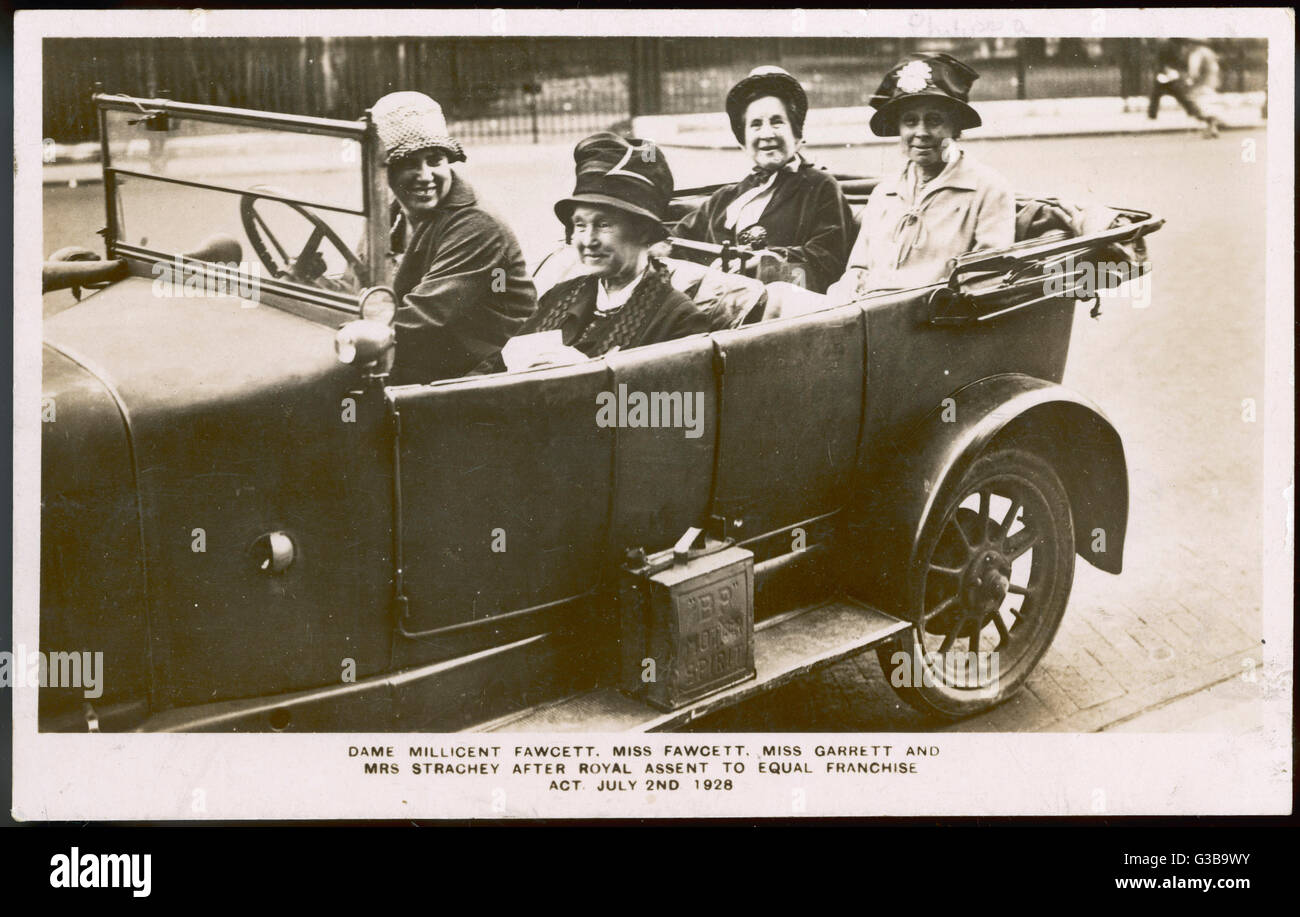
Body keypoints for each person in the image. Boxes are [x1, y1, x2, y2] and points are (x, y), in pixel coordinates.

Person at [477, 133, 709, 373]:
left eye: (603, 225)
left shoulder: (678, 319)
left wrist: (587, 374)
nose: (588, 240)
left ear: (643, 232)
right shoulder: (560, 296)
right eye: (579, 225)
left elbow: (676, 405)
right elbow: (494, 371)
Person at [371, 91, 536, 385]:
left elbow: (427, 314)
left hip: (488, 373)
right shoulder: (390, 215)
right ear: (385, 171)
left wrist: (343, 336)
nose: (425, 176)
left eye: (435, 160)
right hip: (427, 359)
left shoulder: (477, 224)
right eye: (409, 163)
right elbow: (361, 285)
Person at [827, 54, 1015, 301]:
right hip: (865, 317)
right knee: (778, 298)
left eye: (934, 120)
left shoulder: (988, 189)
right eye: (910, 121)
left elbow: (984, 282)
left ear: (955, 127)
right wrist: (844, 292)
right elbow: (858, 268)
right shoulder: (885, 192)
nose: (921, 132)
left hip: (930, 324)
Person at [671, 66, 854, 293]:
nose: (767, 134)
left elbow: (830, 265)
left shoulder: (820, 187)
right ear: (743, 141)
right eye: (755, 124)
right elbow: (674, 244)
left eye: (777, 122)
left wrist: (767, 266)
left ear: (797, 134)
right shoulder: (724, 199)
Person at [1185, 38, 1224, 138]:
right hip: (1211, 82)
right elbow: (1216, 68)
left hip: (1201, 84)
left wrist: (1191, 81)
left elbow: (1194, 71)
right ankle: (1212, 128)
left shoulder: (1196, 54)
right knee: (1208, 105)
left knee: (1200, 105)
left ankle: (1210, 128)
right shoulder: (1209, 53)